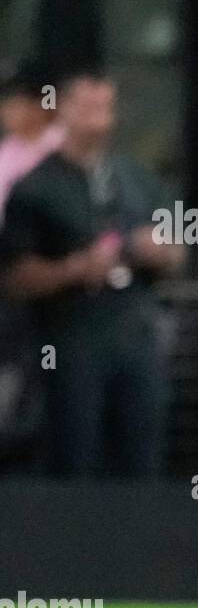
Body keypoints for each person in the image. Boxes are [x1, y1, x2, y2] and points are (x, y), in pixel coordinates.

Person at [0, 72, 185, 477]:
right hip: (70, 341)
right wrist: (74, 269)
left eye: (105, 107)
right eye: (88, 107)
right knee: (74, 458)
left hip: (136, 337)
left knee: (141, 459)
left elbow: (177, 249)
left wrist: (156, 249)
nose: (99, 119)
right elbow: (15, 277)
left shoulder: (137, 179)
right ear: (63, 109)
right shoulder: (35, 188)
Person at [0, 64, 64, 229]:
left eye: (13, 103)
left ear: (38, 105)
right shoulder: (7, 148)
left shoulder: (61, 144)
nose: (5, 110)